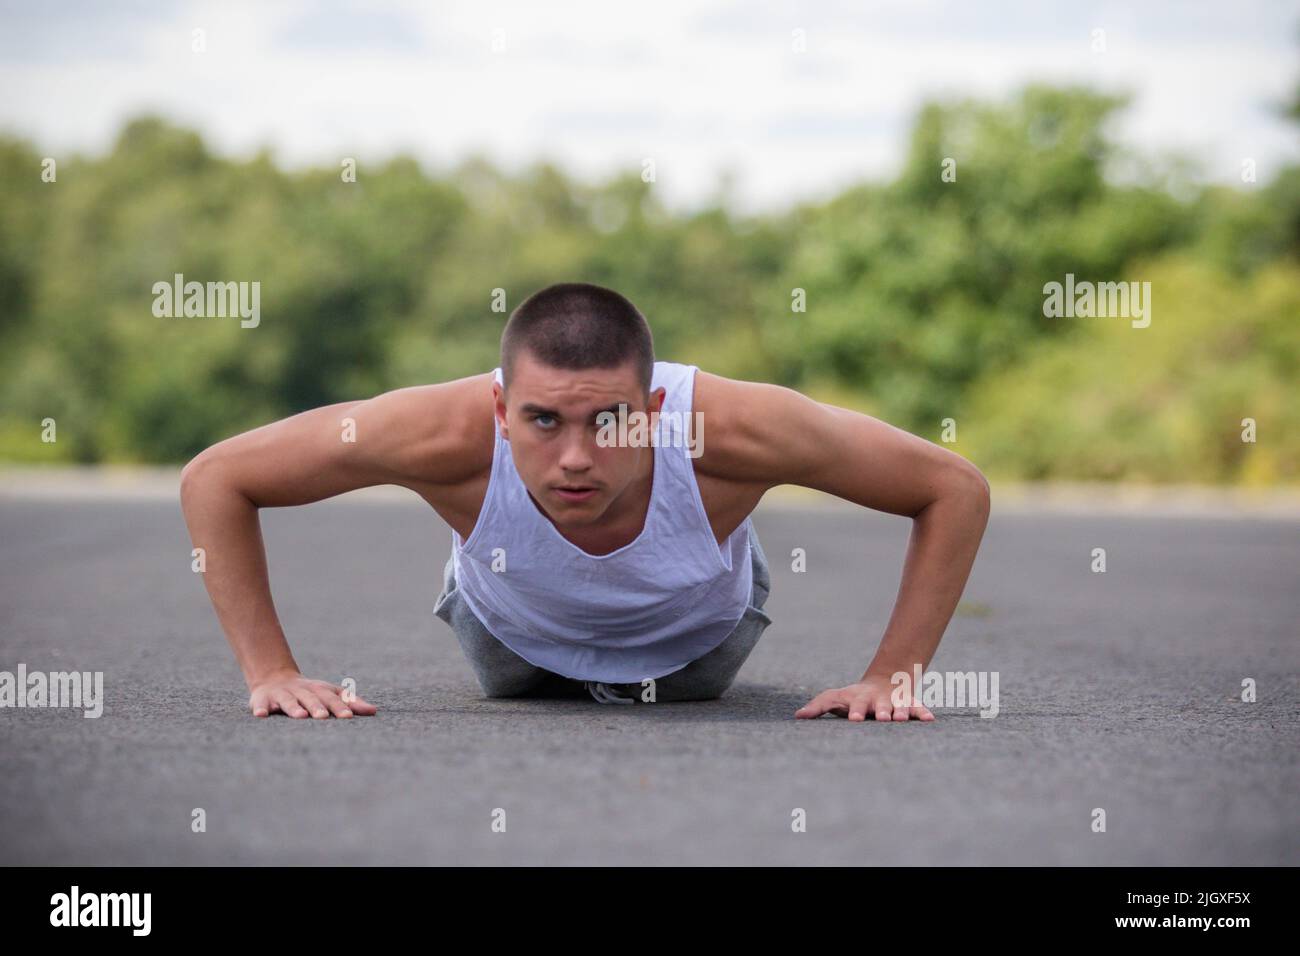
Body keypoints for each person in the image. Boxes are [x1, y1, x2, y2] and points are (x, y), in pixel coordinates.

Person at [180, 282, 990, 722]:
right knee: (518, 690)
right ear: (501, 410)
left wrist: (895, 676)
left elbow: (951, 487)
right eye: (541, 421)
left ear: (657, 411)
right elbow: (218, 477)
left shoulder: (740, 429)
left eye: (609, 421)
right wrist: (272, 672)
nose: (575, 457)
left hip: (691, 647)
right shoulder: (435, 433)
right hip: (505, 634)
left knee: (678, 697)